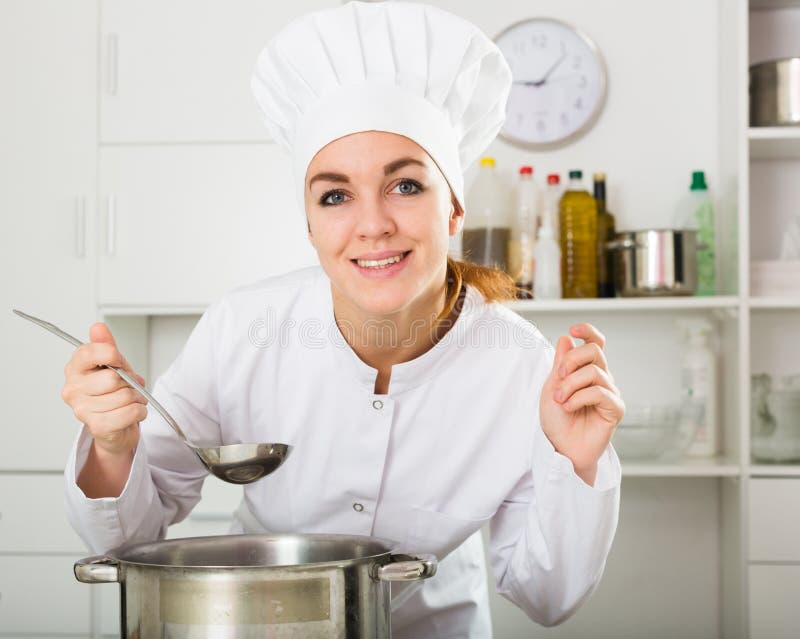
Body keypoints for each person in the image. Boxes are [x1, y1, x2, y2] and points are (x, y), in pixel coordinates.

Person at [60, 2, 624, 636]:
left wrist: (573, 465)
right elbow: (132, 531)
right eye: (335, 195)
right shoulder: (242, 329)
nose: (373, 223)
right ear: (308, 223)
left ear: (455, 208)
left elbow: (548, 598)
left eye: (405, 185)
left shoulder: (522, 370)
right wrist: (114, 445)